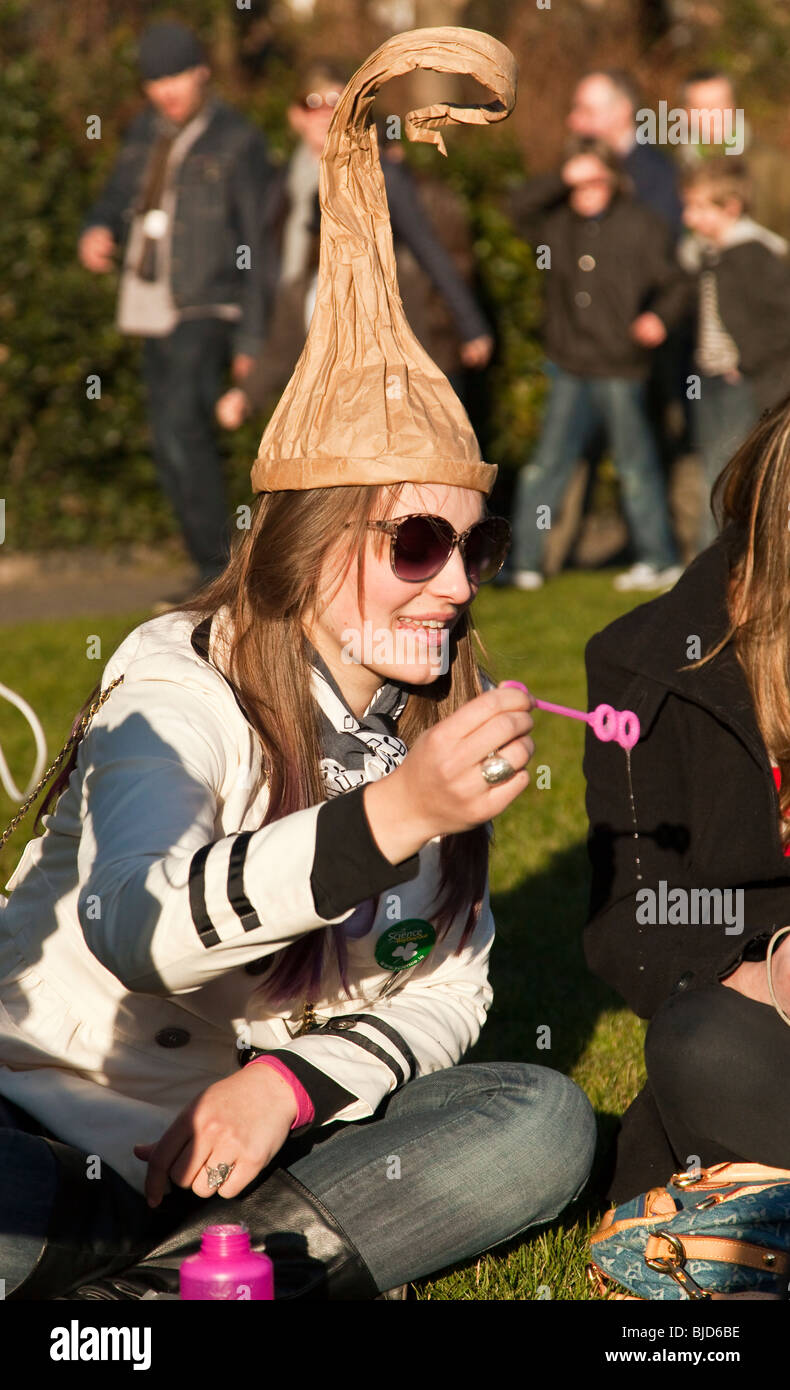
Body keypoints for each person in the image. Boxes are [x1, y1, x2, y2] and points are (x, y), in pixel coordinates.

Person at [0, 29, 595, 1301]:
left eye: (475, 540)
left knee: (541, 1117)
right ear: (312, 543)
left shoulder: (432, 719)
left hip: (257, 1157)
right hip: (48, 1133)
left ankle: (172, 1291)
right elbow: (137, 930)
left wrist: (283, 1083)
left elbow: (448, 991)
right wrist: (395, 816)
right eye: (418, 541)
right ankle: (181, 1278)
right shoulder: (178, 681)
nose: (457, 580)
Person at [584, 395, 790, 1203]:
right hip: (754, 1019)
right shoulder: (648, 668)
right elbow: (633, 919)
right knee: (700, 1040)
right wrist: (766, 964)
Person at [78, 21, 275, 593]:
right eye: (154, 80)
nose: (165, 91)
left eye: (175, 76)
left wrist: (252, 339)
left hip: (208, 304)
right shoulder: (144, 132)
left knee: (184, 429)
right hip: (147, 306)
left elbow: (257, 245)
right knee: (167, 438)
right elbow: (116, 199)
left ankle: (221, 569)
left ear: (202, 72)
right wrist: (96, 229)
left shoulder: (237, 139)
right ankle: (208, 565)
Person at [216, 63, 493, 432]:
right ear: (296, 115)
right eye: (313, 102)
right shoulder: (279, 184)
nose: (324, 111)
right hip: (301, 333)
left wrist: (471, 325)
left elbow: (430, 250)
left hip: (373, 343)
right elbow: (263, 266)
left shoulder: (381, 172)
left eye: (336, 101)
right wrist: (252, 345)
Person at [508, 139, 685, 593]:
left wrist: (657, 318)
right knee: (546, 467)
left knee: (634, 465)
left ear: (613, 180)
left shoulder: (642, 226)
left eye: (593, 182)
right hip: (569, 365)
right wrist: (562, 178)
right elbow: (515, 209)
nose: (584, 193)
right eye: (576, 184)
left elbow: (678, 283)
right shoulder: (558, 225)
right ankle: (525, 562)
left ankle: (657, 558)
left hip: (621, 368)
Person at [678, 158, 790, 553]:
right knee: (712, 468)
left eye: (699, 207)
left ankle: (721, 560)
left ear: (730, 207)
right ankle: (711, 561)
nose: (689, 217)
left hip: (744, 383)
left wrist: (745, 363)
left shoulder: (755, 254)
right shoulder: (709, 255)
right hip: (708, 378)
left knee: (729, 474)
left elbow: (781, 321)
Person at [679, 69, 790, 243]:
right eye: (702, 108)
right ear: (686, 113)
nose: (714, 115)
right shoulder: (680, 164)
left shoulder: (771, 164)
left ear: (734, 106)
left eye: (720, 105)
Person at [567, 69, 682, 234]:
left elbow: (661, 237)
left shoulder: (658, 172)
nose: (573, 121)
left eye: (587, 111)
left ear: (622, 111)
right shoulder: (571, 168)